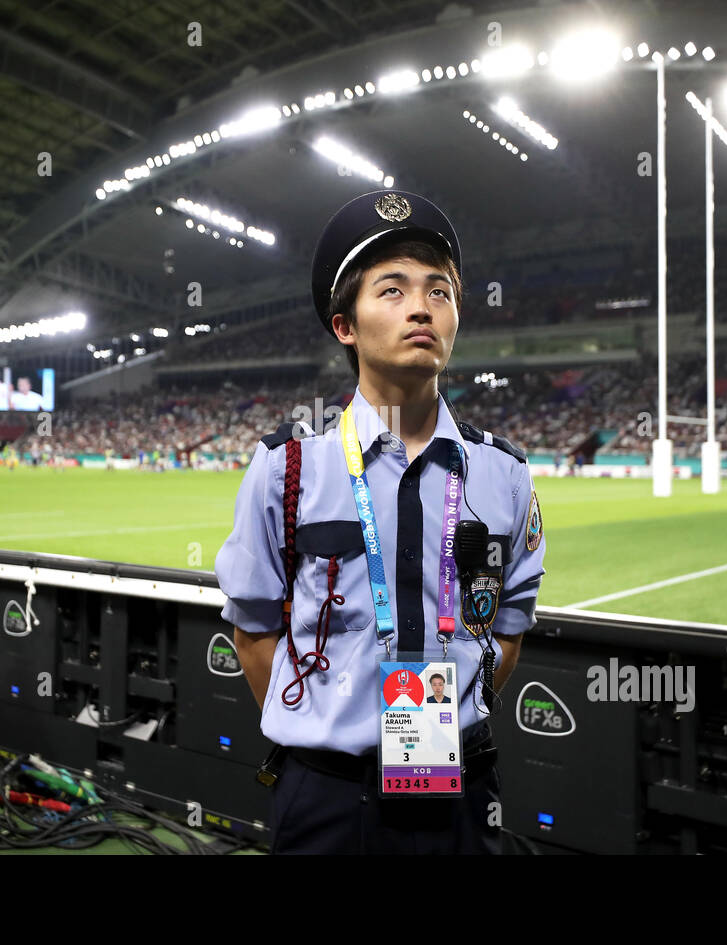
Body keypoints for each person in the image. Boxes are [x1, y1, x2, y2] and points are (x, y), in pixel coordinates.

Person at [215, 190, 547, 855]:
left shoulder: (504, 475)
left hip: (462, 788)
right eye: (391, 290)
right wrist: (327, 731)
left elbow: (506, 633)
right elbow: (253, 635)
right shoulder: (286, 468)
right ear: (345, 325)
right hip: (326, 797)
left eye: (440, 292)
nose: (422, 307)